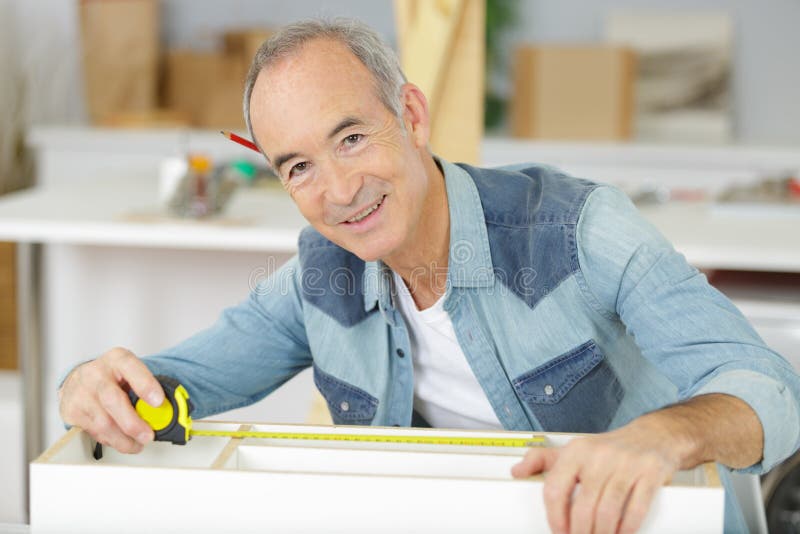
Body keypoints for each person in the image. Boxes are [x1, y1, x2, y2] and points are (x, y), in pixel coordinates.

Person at [58, 18, 800, 533]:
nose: (339, 190)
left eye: (352, 137)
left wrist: (660, 437)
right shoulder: (318, 279)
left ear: (411, 115)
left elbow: (770, 389)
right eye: (299, 167)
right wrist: (91, 386)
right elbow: (173, 385)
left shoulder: (577, 229)